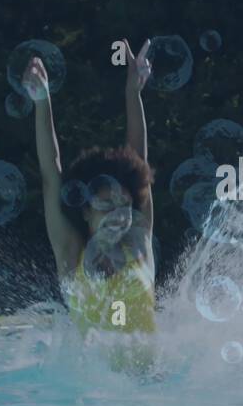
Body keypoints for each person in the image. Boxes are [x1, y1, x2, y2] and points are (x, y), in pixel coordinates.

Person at [26, 40, 158, 365]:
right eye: (104, 205)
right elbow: (50, 176)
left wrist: (133, 93)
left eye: (122, 204)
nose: (117, 213)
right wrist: (42, 102)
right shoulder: (71, 255)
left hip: (153, 389)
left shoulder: (140, 242)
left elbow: (138, 158)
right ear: (85, 211)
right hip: (97, 399)